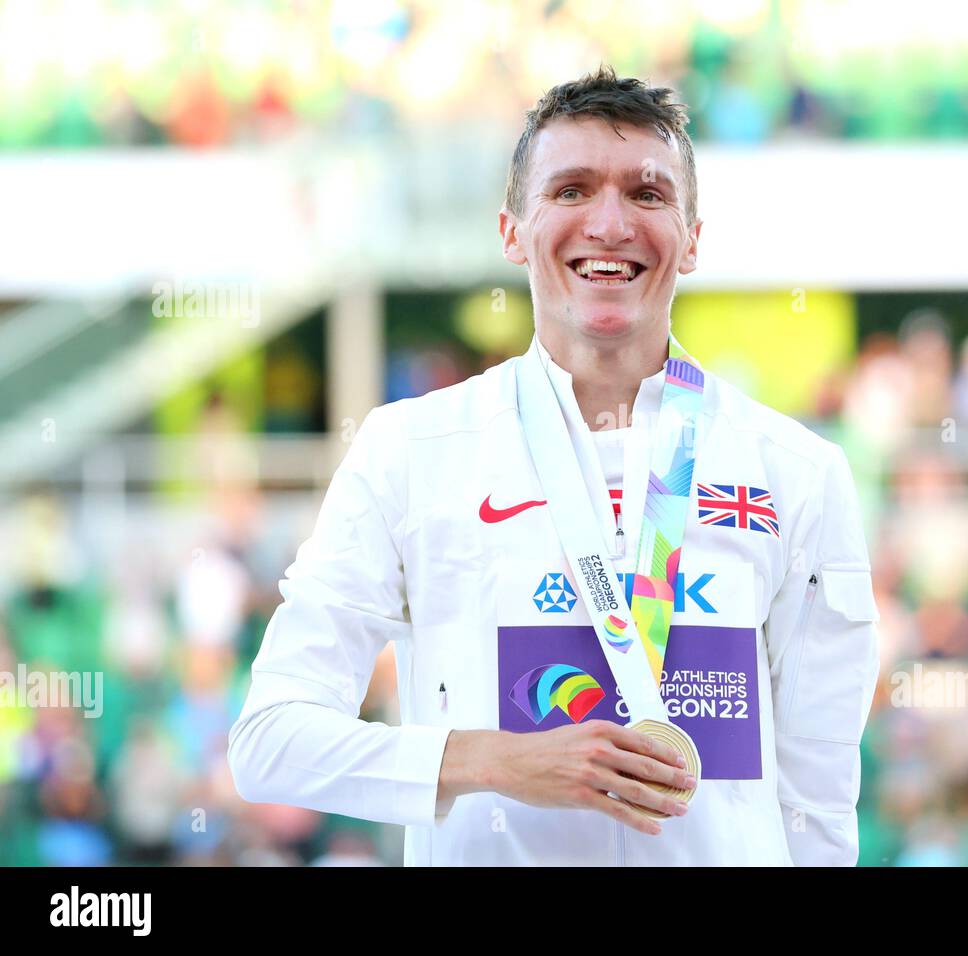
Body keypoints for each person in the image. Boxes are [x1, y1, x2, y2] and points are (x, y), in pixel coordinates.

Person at [228, 65, 880, 865]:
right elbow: (270, 740)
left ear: (694, 238)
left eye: (647, 194)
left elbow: (818, 805)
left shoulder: (798, 471)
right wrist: (492, 759)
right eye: (571, 190)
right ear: (511, 231)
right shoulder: (412, 452)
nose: (609, 223)